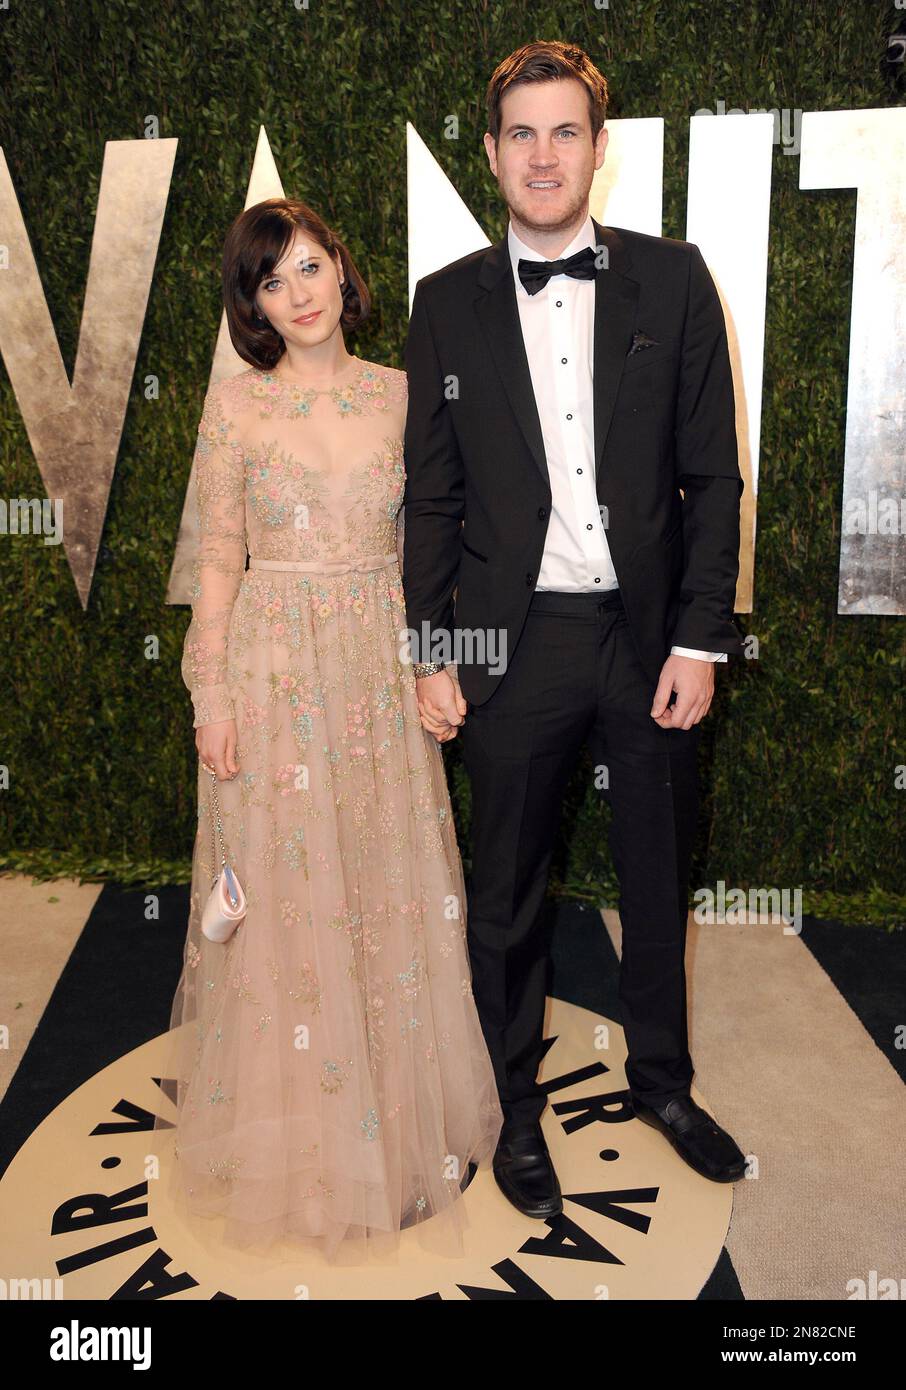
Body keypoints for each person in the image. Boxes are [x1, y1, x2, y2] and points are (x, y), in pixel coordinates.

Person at [402, 41, 748, 1220]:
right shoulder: (444, 303)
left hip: (649, 636)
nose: (542, 156)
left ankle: (664, 1083)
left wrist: (701, 642)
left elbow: (713, 475)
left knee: (657, 877)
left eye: (565, 133)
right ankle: (508, 1110)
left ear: (599, 148)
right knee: (506, 892)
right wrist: (433, 652)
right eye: (520, 134)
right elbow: (433, 498)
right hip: (510, 636)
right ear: (491, 152)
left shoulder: (675, 279)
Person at [158, 197, 502, 1262]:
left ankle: (396, 1139)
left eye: (310, 267)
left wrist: (430, 662)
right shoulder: (235, 407)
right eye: (272, 280)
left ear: (342, 271)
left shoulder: (404, 396)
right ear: (253, 304)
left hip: (374, 659)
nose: (298, 292)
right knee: (289, 900)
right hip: (273, 670)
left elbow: (434, 550)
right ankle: (303, 1148)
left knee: (386, 886)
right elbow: (217, 562)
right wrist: (212, 698)